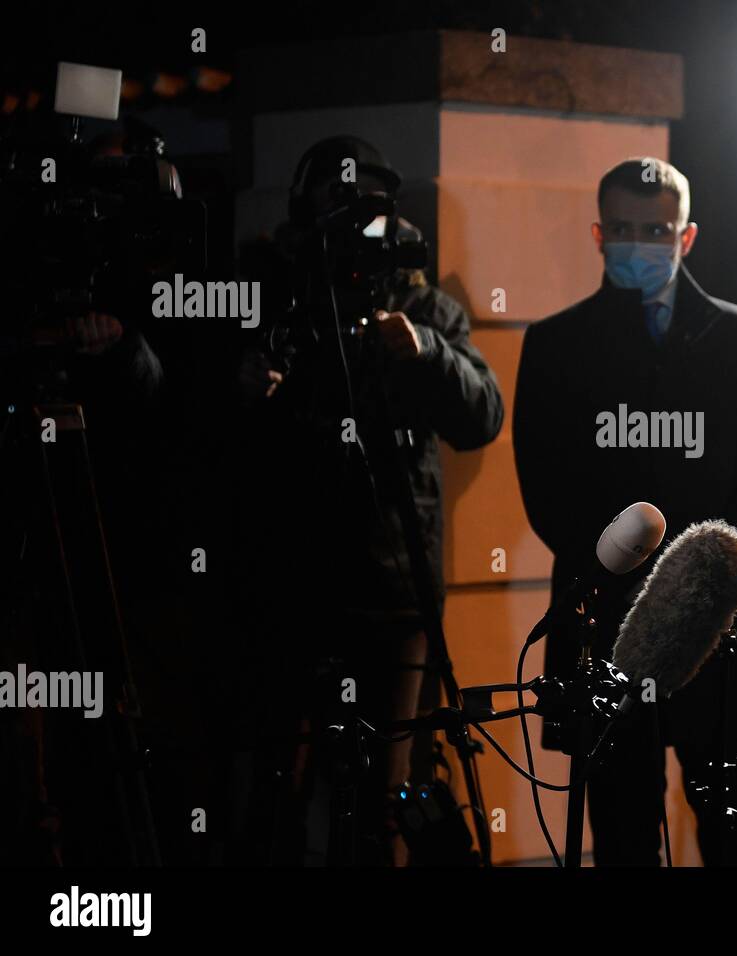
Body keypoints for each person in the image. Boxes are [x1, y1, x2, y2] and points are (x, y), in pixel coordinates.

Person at [514, 157, 737, 865]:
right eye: (626, 228)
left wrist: (702, 586)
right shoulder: (554, 344)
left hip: (717, 629)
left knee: (736, 832)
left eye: (657, 229)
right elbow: (547, 488)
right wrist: (618, 571)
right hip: (603, 627)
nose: (641, 243)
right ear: (599, 233)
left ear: (687, 236)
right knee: (622, 835)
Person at [234, 135, 503, 864]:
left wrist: (426, 352)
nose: (355, 224)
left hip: (394, 590)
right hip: (288, 585)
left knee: (386, 799)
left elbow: (482, 416)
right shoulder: (272, 298)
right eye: (337, 203)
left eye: (370, 207)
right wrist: (250, 383)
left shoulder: (423, 308)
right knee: (275, 794)